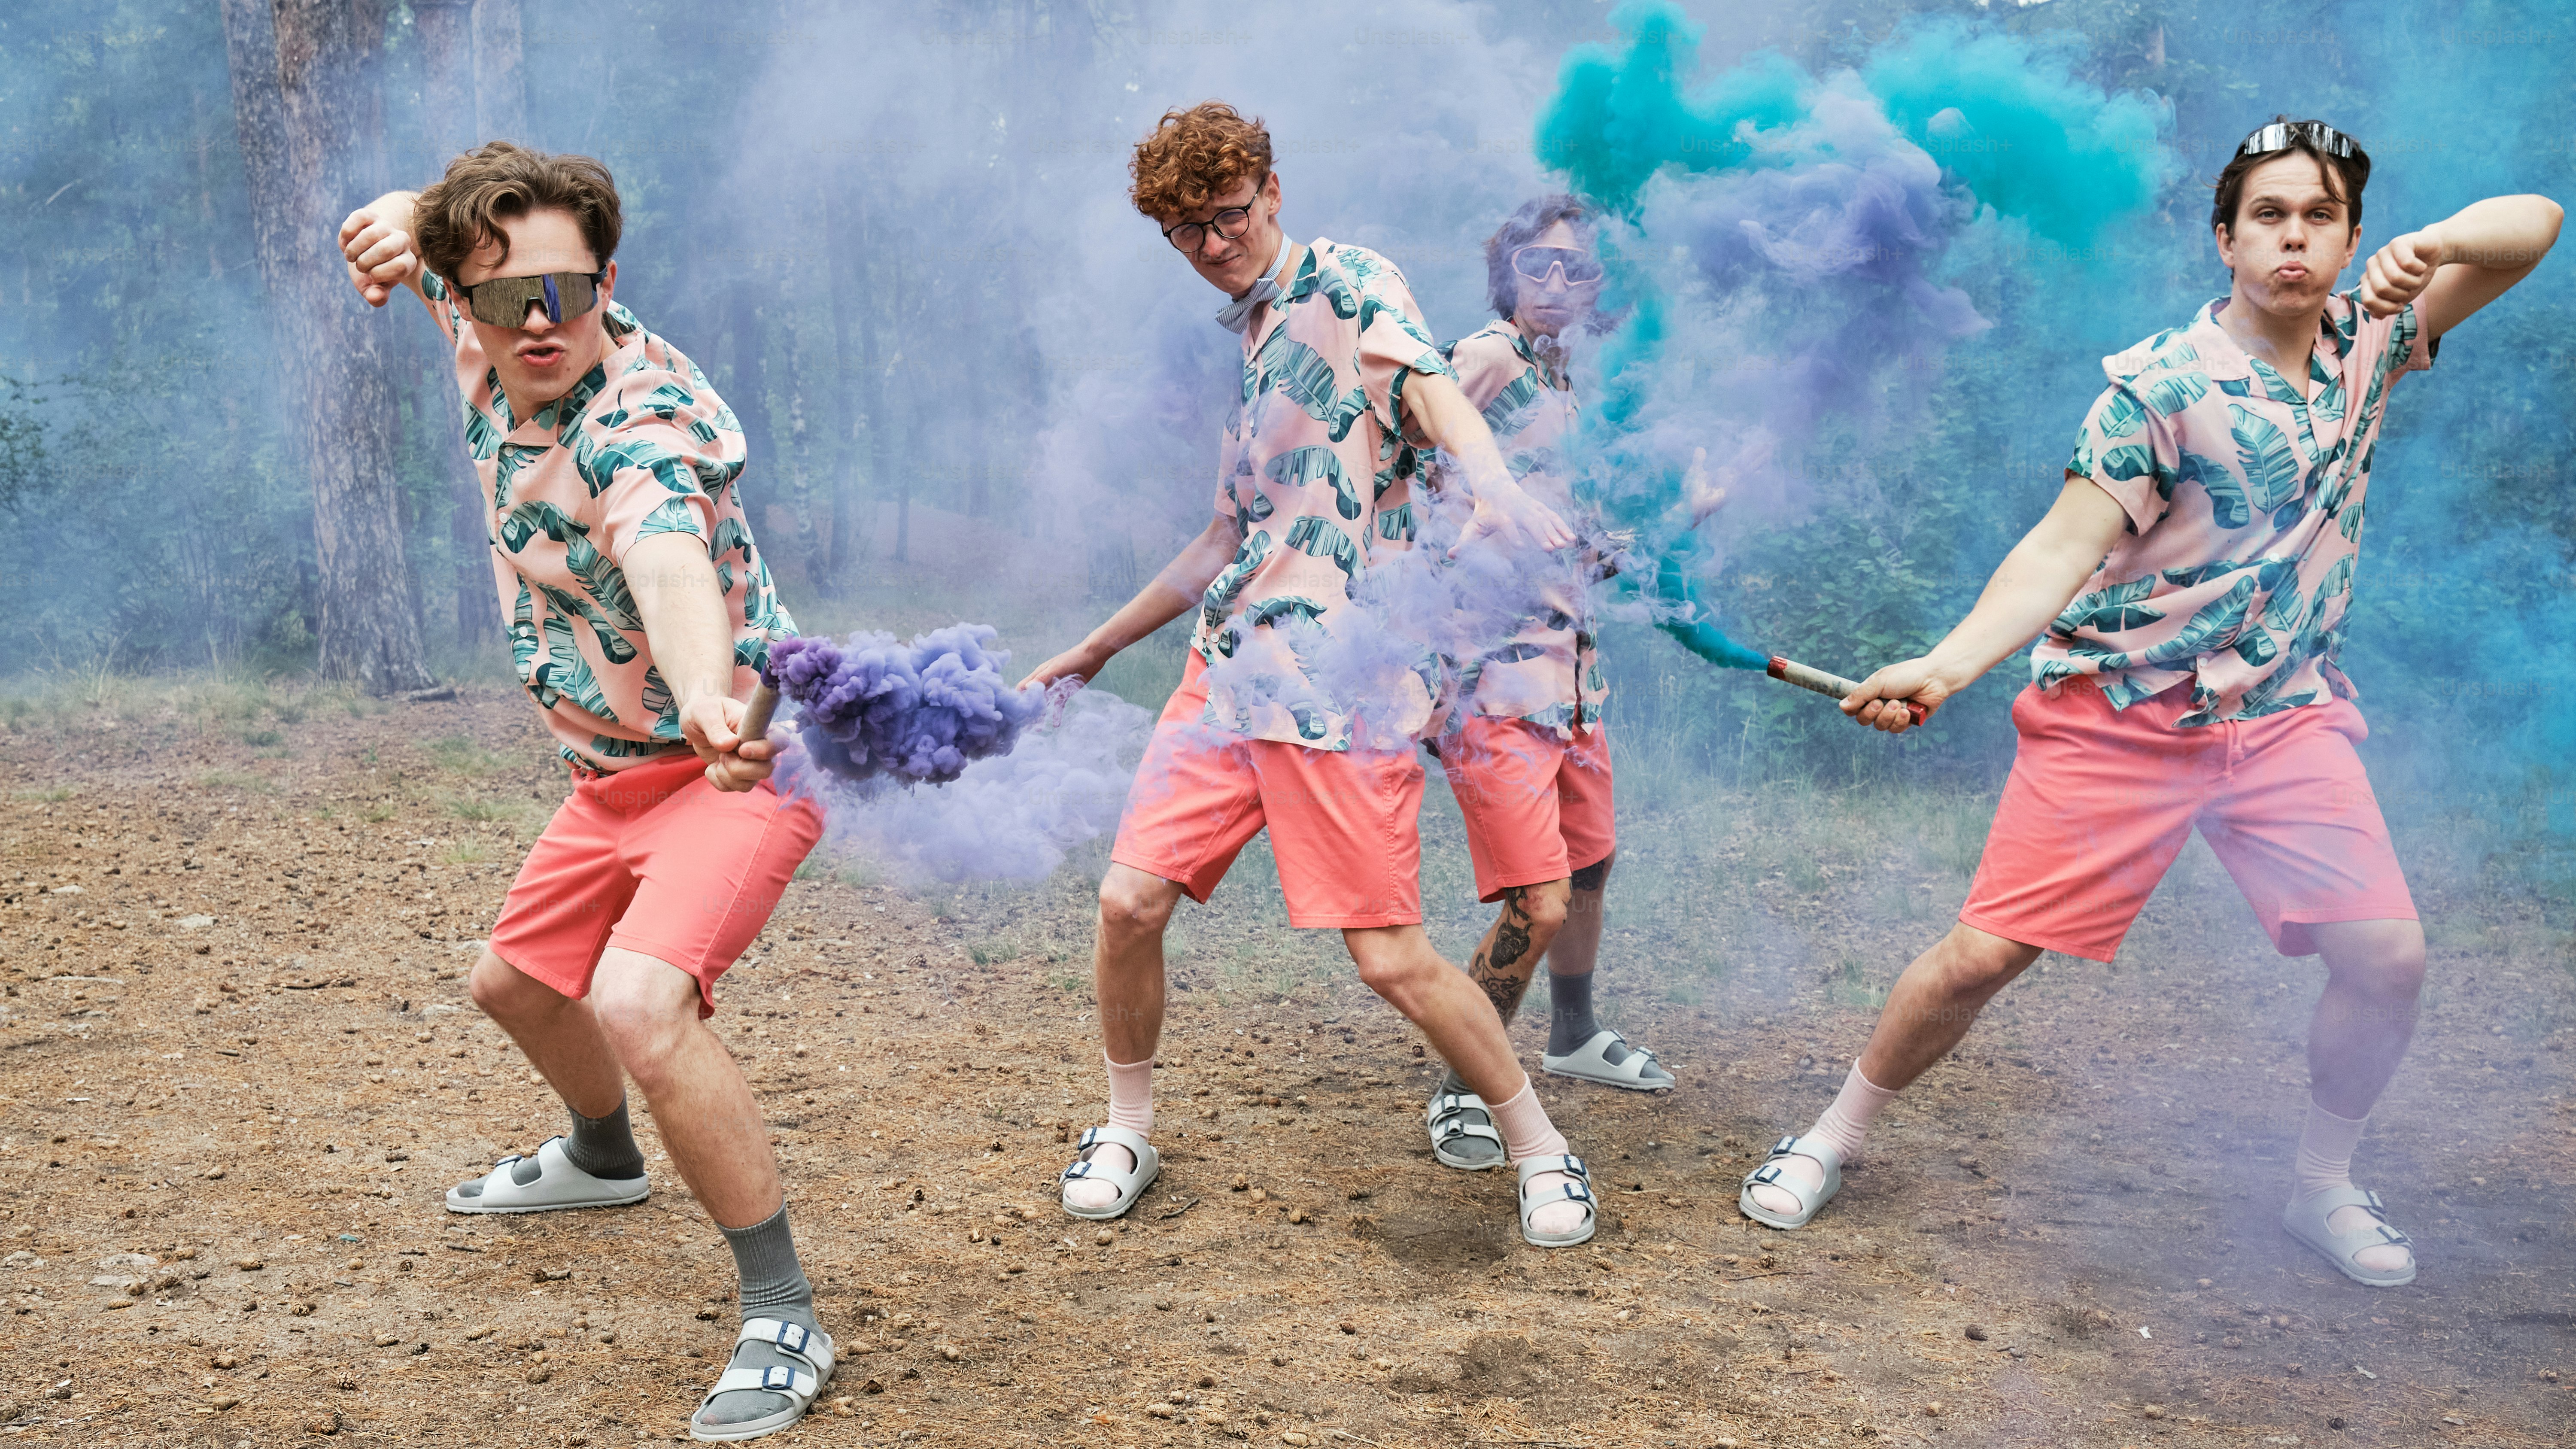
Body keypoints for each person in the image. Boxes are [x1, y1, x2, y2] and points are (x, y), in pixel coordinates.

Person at [1738, 119, 2560, 1291]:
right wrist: (1951, 662)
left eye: (2318, 217)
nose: (2293, 236)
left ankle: (2322, 1185)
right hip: (2121, 717)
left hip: (2282, 716)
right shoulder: (2155, 390)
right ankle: (1832, 1135)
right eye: (2269, 216)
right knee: (1981, 958)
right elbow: (2060, 549)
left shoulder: (2376, 337)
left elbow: (2536, 226)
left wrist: (2429, 247)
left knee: (2389, 959)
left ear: (2350, 239)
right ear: (2225, 239)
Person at [1020, 102, 1601, 1249]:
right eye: (1184, 231)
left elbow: (1433, 392)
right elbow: (1225, 536)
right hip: (1229, 673)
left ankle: (1541, 1148)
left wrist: (1485, 481)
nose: (1211, 244)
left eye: (1226, 216)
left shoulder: (1346, 285)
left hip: (1345, 685)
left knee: (1388, 958)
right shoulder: (1250, 341)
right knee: (1128, 901)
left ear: (1271, 192)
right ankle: (1127, 1127)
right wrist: (1096, 648)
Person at [337, 143, 837, 1438]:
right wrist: (402, 217)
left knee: (638, 1004)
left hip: (728, 769)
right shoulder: (489, 329)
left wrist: (712, 688)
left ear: (609, 280)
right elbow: (442, 243)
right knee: (512, 984)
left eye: (570, 293)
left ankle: (783, 1311)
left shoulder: (638, 422)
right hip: (607, 785)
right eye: (502, 300)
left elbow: (662, 548)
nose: (540, 325)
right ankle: (604, 1159)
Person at [1412, 196, 1737, 1172]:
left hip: (1572, 670)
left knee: (1589, 863)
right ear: (1506, 272)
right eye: (1538, 265)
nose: (1557, 284)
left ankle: (1572, 1034)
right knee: (1538, 900)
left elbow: (1582, 550)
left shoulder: (1570, 385)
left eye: (1578, 270)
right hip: (1490, 678)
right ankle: (1462, 1086)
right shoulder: (1487, 359)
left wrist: (1686, 515)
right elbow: (1409, 457)